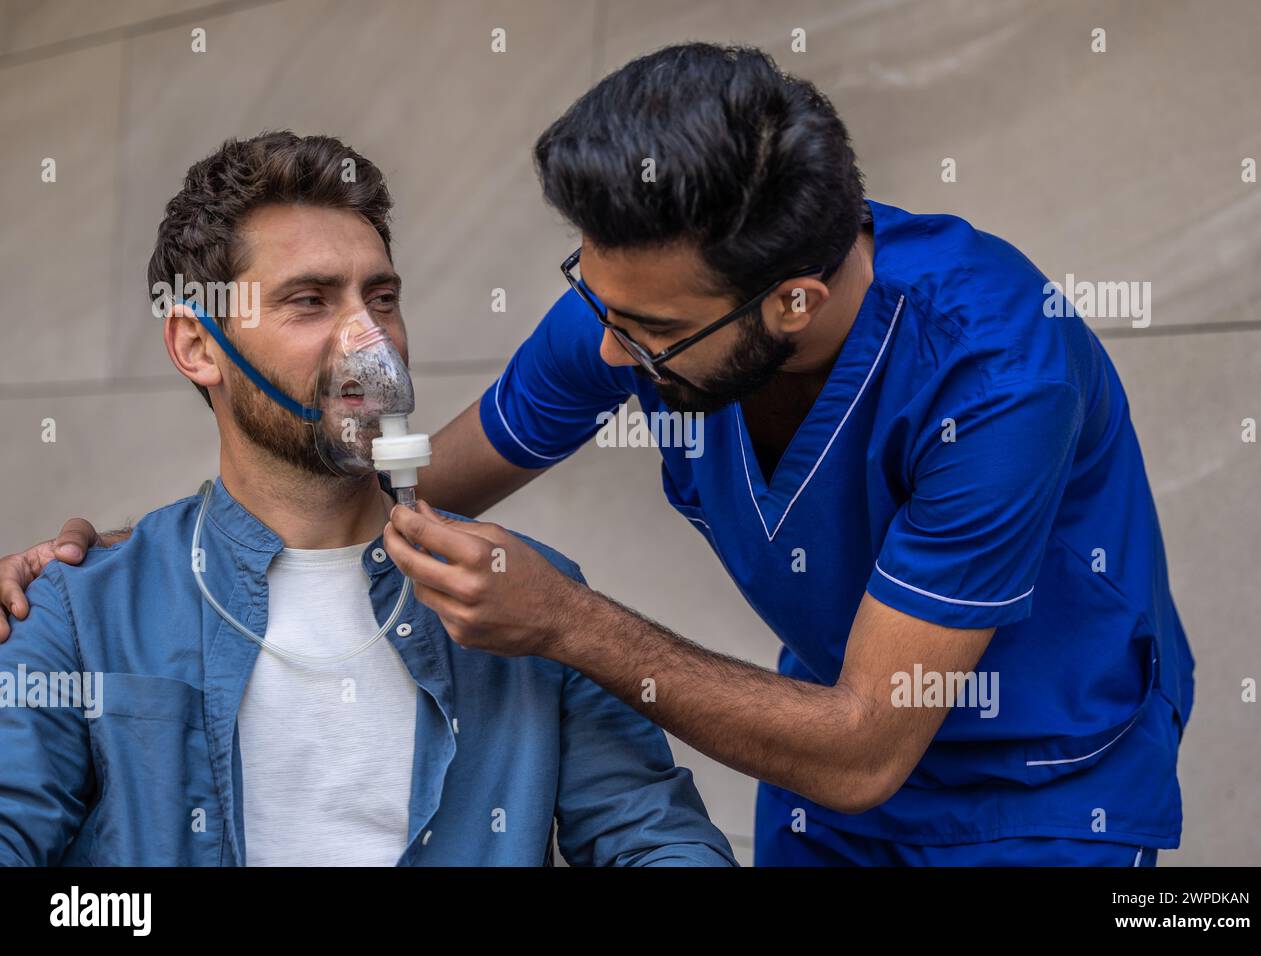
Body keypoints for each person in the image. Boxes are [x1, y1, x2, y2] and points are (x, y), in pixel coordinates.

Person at [3, 45, 1193, 867]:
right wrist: (126, 561)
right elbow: (403, 475)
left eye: (650, 333)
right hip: (820, 781)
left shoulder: (995, 375)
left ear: (786, 305)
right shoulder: (638, 293)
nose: (603, 351)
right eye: (594, 298)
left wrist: (571, 624)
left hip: (1033, 789)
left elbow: (862, 746)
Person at [0, 131, 736, 868]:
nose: (370, 342)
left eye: (381, 299)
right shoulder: (78, 611)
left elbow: (662, 843)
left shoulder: (531, 603)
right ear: (198, 346)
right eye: (310, 301)